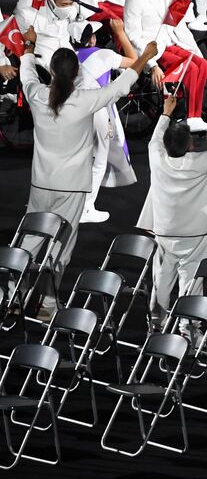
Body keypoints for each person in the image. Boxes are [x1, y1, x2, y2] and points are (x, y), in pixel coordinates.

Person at [18, 26, 158, 305]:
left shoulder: (36, 94)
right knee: (61, 246)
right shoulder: (84, 100)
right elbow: (121, 86)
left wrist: (29, 46)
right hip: (72, 188)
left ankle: (10, 294)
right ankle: (46, 303)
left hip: (40, 183)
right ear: (75, 73)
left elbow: (26, 72)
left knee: (29, 240)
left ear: (54, 72)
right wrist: (145, 57)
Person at [137, 80, 207, 313]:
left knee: (161, 278)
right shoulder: (202, 162)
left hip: (164, 230)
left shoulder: (157, 157)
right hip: (195, 234)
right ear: (189, 144)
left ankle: (156, 324)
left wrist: (166, 113)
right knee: (191, 283)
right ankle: (190, 331)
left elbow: (155, 139)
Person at [125, 0, 207, 132]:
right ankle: (191, 116)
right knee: (190, 68)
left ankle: (194, 116)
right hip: (153, 51)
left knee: (202, 63)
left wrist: (197, 52)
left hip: (171, 42)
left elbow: (180, 26)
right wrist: (152, 64)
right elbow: (133, 35)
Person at [75, 19, 142, 224]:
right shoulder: (104, 54)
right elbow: (135, 61)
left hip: (74, 111)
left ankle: (76, 204)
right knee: (99, 160)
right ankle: (86, 208)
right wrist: (120, 32)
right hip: (98, 111)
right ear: (92, 38)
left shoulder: (68, 56)